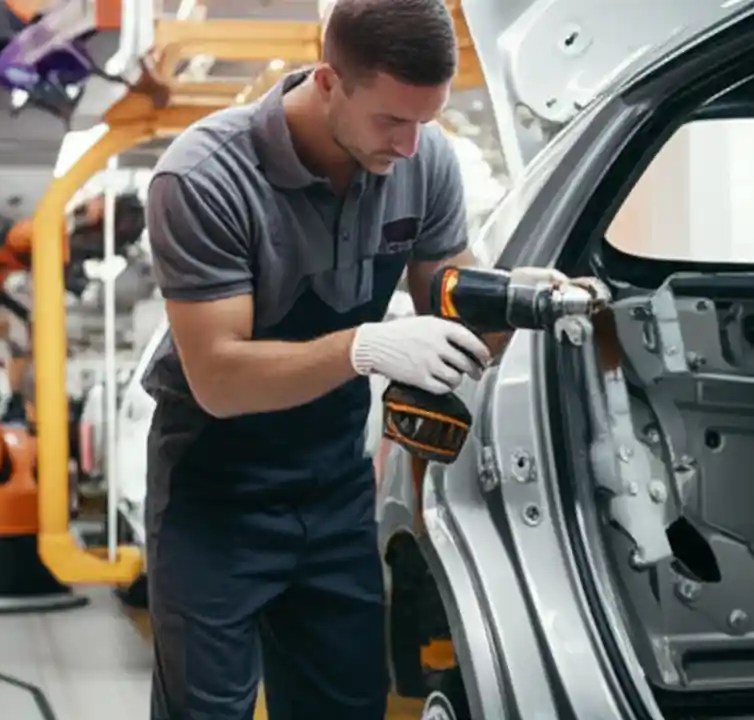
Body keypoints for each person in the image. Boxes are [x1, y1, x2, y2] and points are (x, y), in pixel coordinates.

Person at [141, 1, 492, 717]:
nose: (409, 145)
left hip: (333, 489)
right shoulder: (204, 178)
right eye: (391, 121)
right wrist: (363, 347)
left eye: (426, 121)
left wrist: (520, 300)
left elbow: (459, 318)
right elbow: (219, 379)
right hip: (215, 493)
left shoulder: (424, 162)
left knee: (345, 707)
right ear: (329, 82)